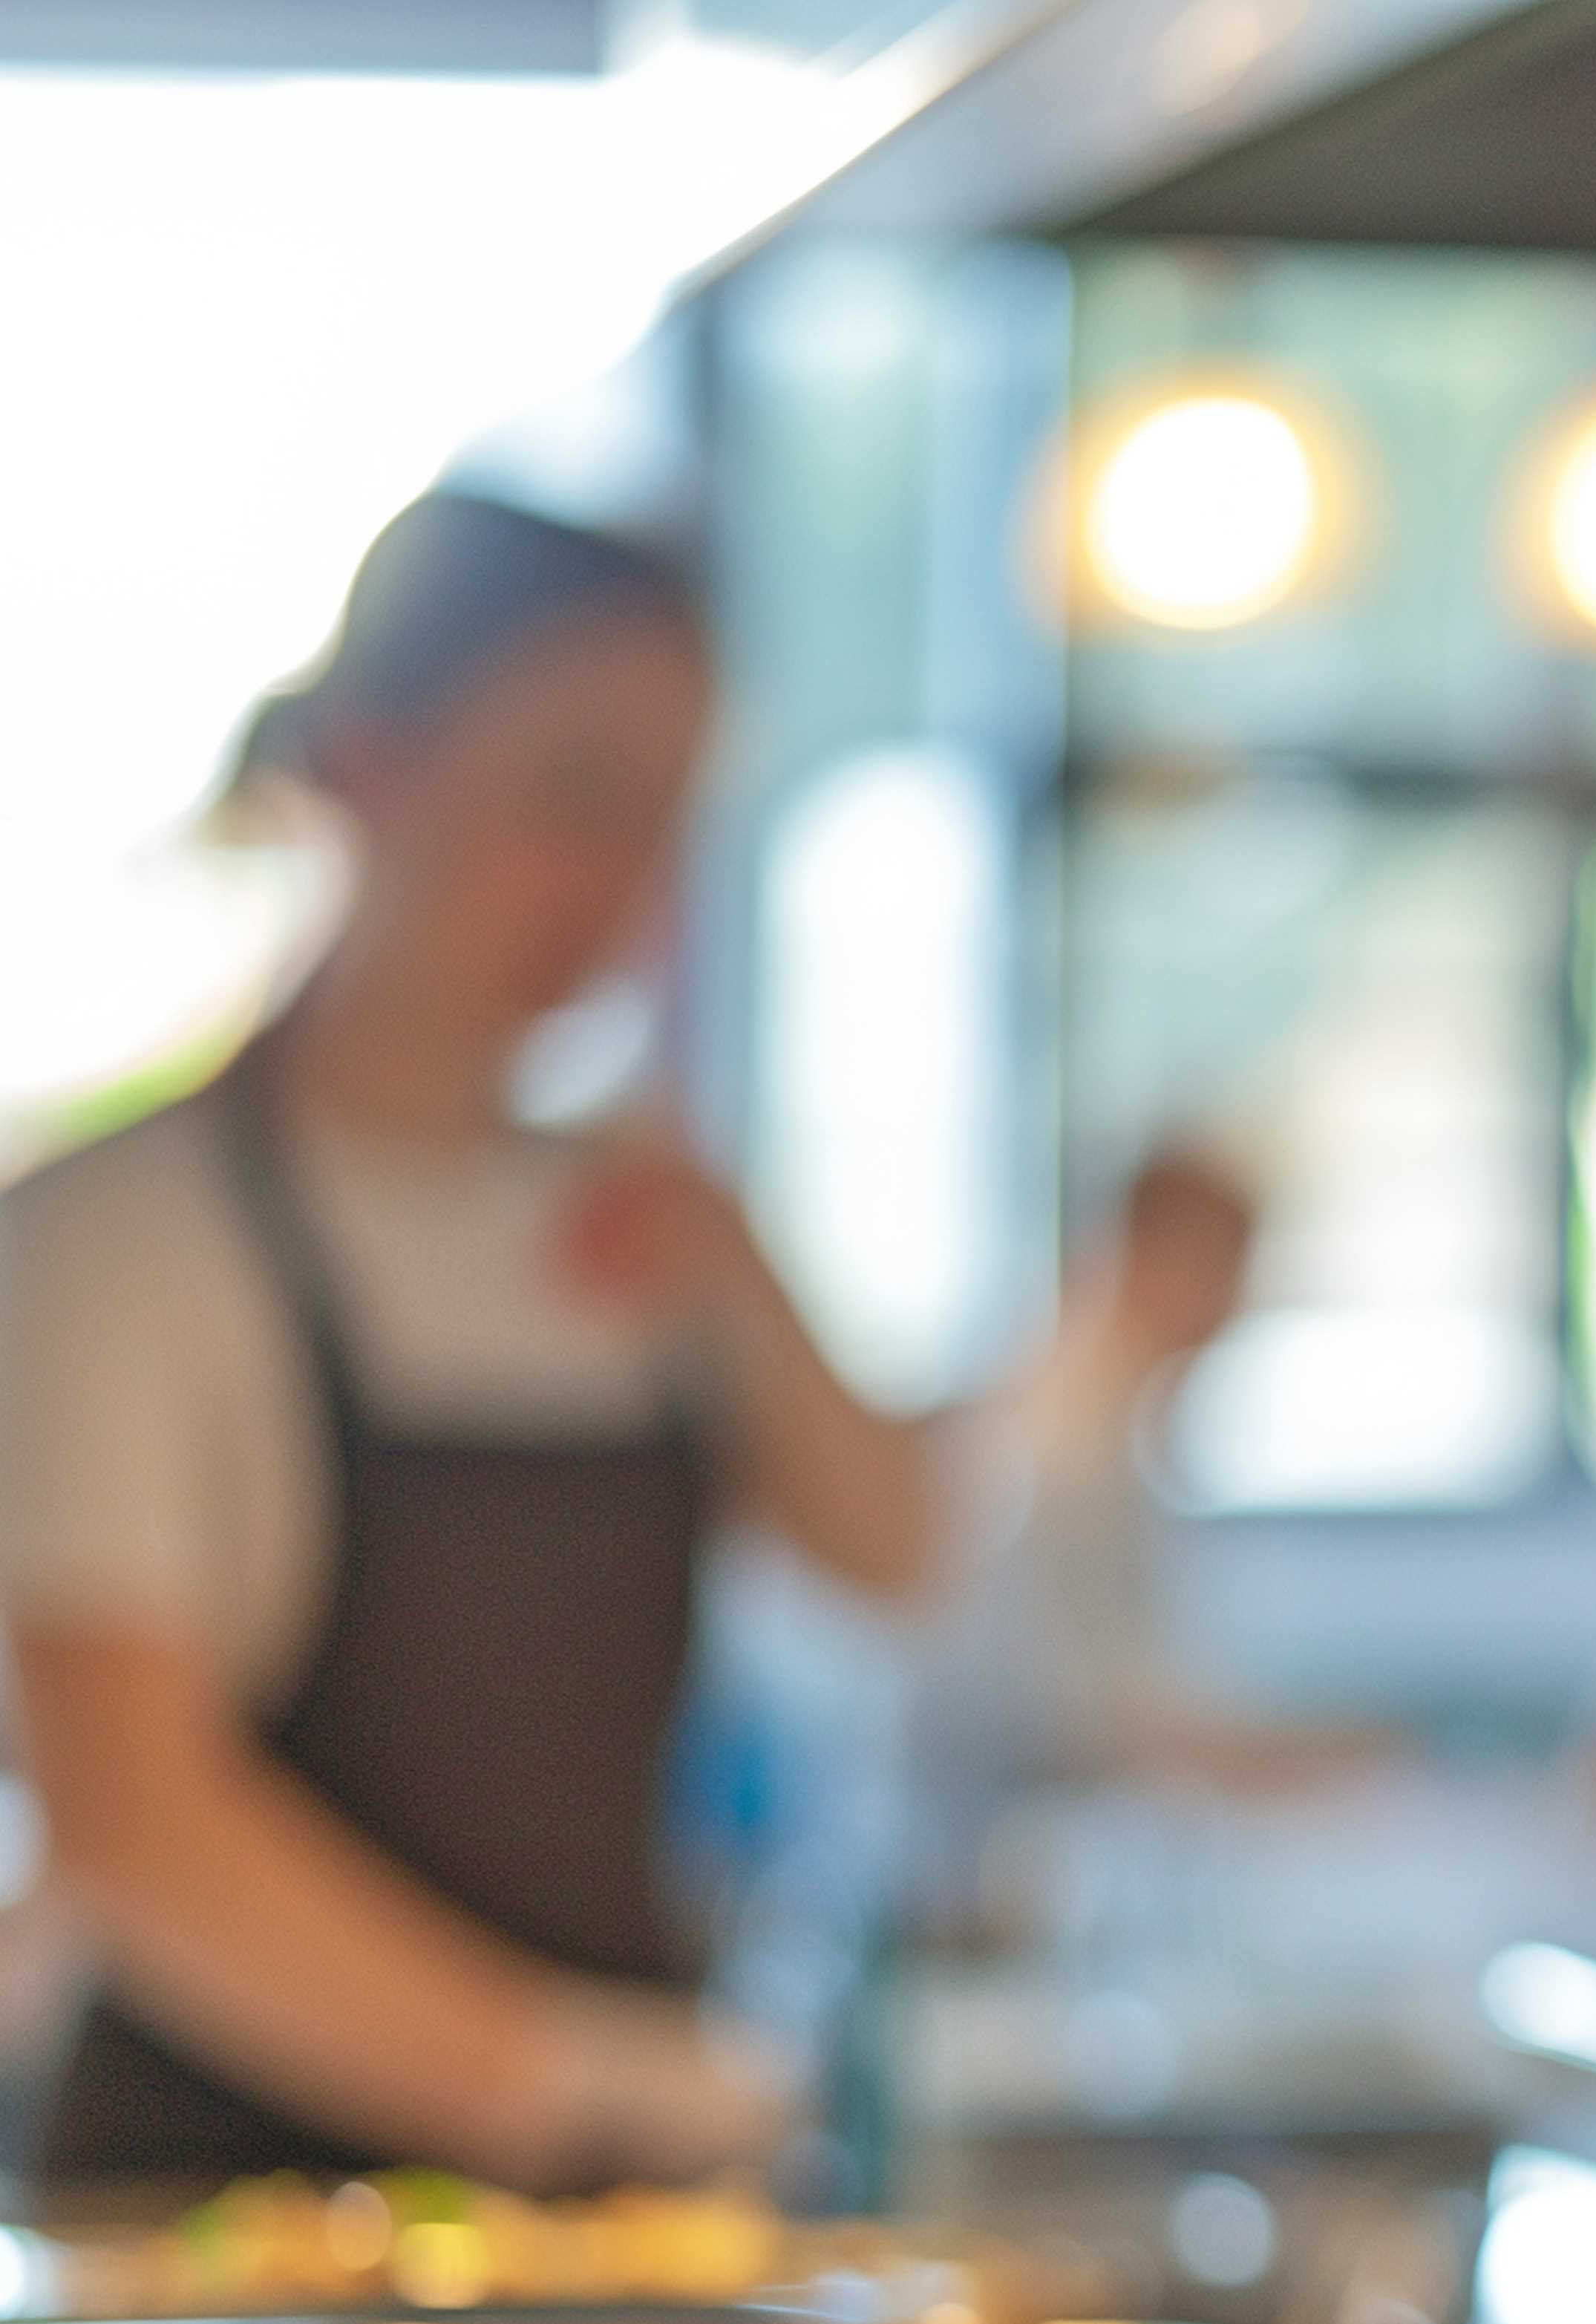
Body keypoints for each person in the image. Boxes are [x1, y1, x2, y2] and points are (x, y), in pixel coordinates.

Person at [0, 492, 941, 2196]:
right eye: (573, 796)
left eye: (664, 821)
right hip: (230, 2241)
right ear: (367, 769)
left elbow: (893, 1551)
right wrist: (589, 2078)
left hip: (602, 2246)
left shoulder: (639, 1224)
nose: (624, 888)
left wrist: (741, 1274)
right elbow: (132, 1821)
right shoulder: (115, 1243)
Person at [912, 1136, 1396, 1890]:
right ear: (1154, 1253)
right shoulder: (1070, 1440)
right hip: (996, 1861)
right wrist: (1285, 1757)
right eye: (1227, 1265)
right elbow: (1095, 1722)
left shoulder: (1085, 1408)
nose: (1236, 1303)